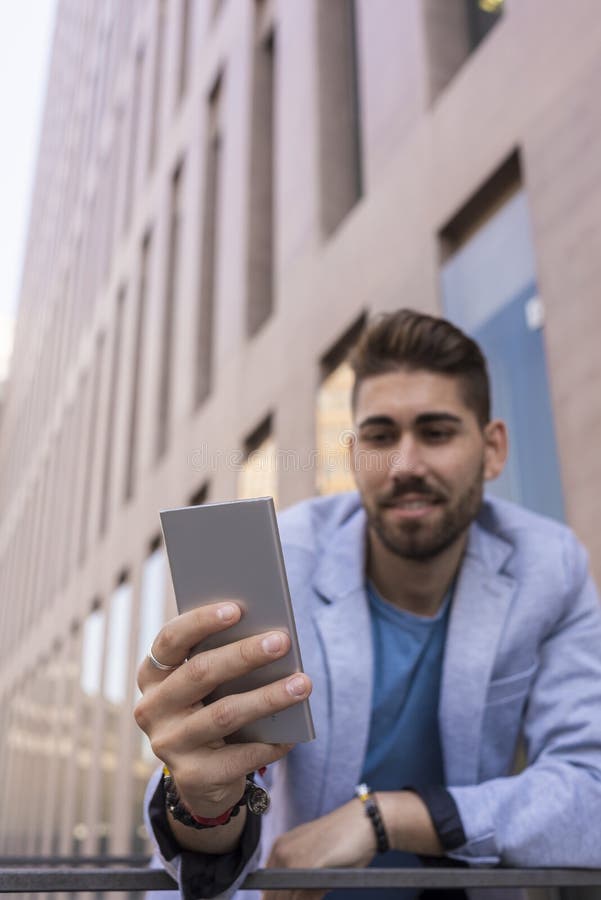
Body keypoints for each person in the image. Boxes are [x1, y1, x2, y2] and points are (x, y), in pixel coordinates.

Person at [135, 309, 601, 900]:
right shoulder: (284, 562)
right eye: (381, 437)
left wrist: (384, 817)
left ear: (492, 449)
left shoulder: (550, 567)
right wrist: (202, 801)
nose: (405, 465)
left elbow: (592, 791)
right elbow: (229, 783)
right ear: (355, 456)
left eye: (436, 432)